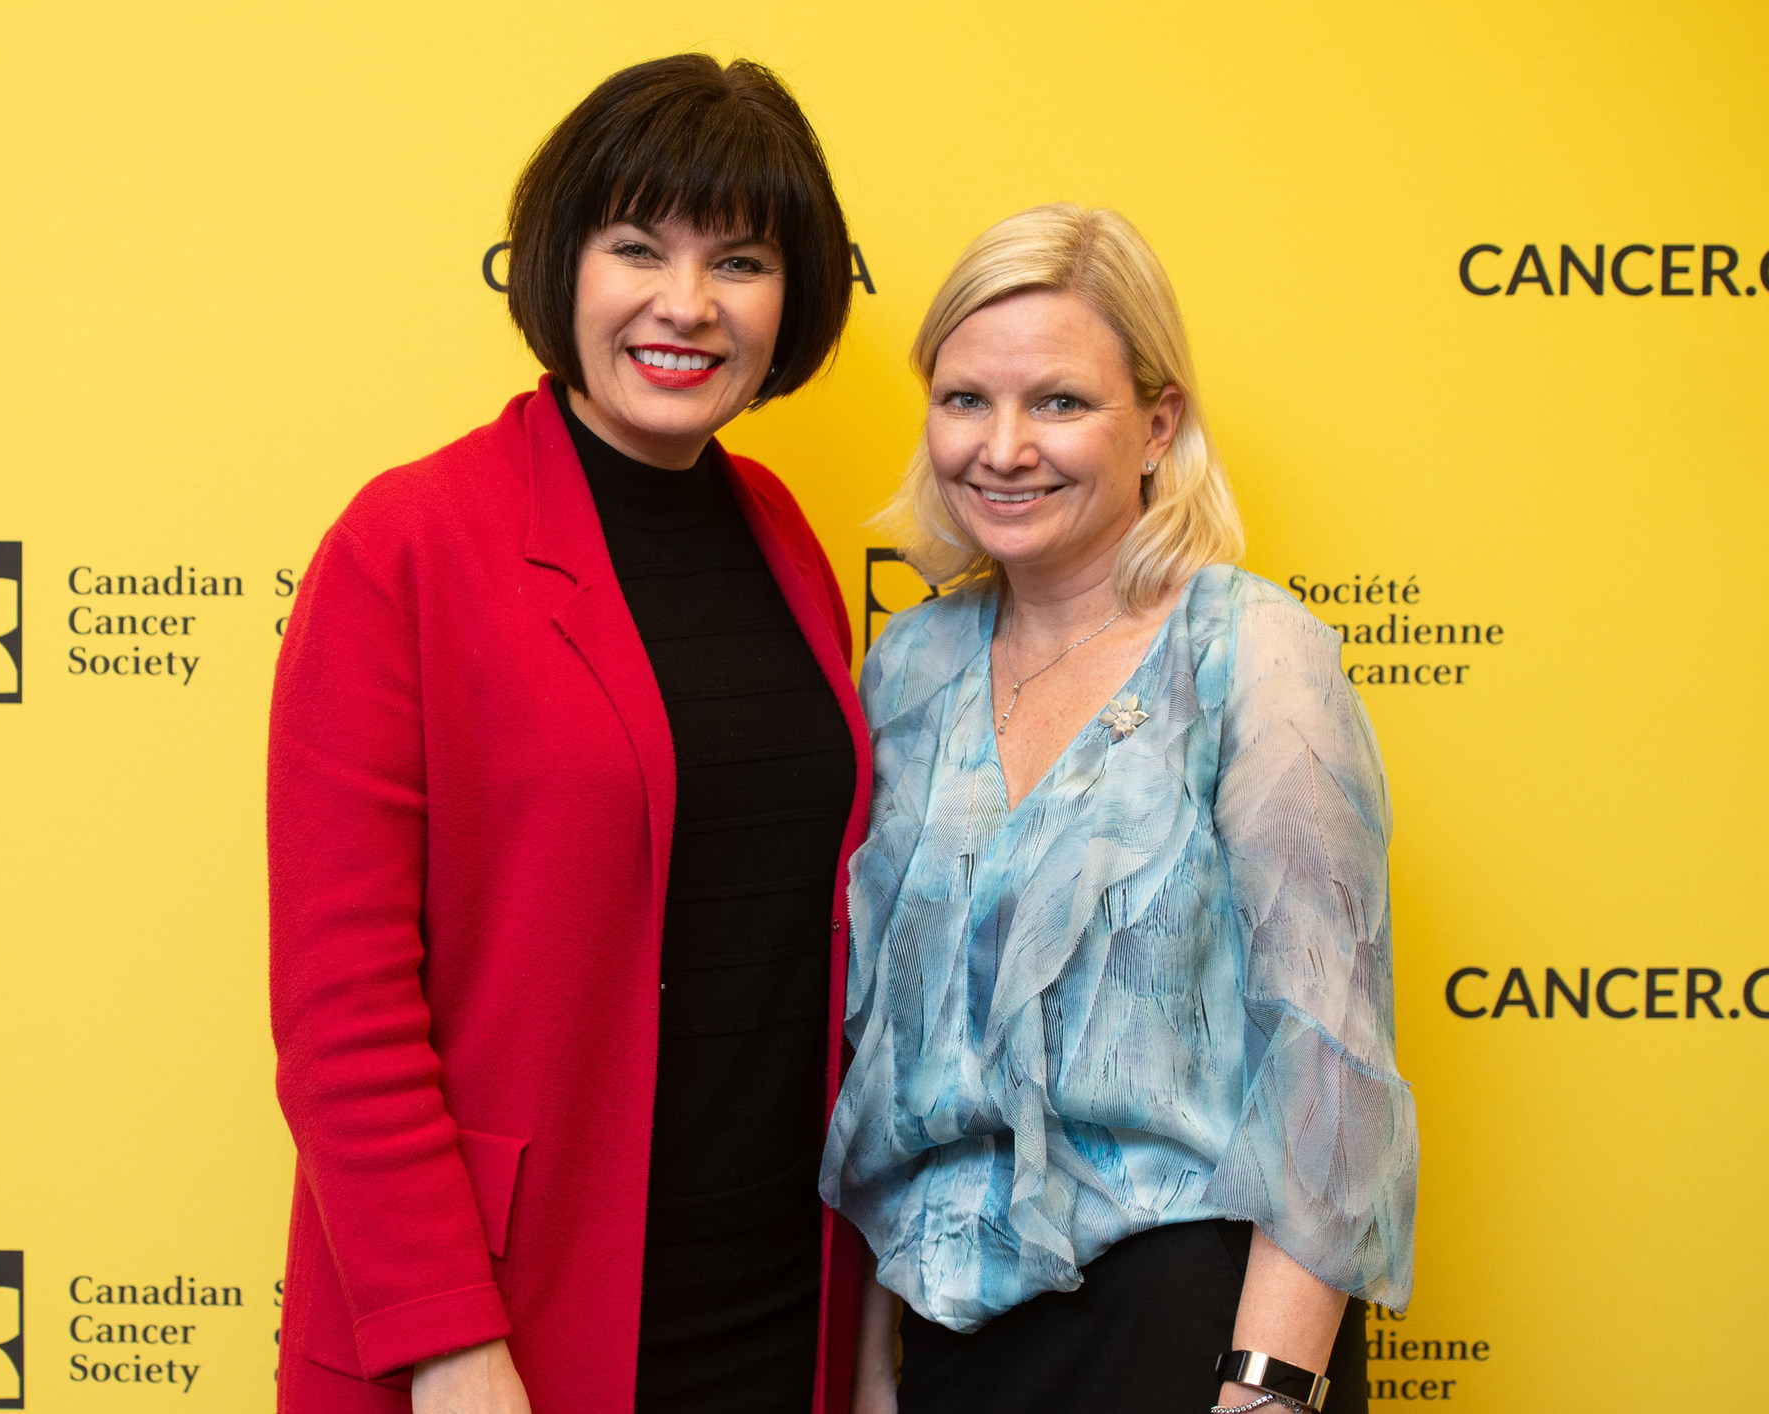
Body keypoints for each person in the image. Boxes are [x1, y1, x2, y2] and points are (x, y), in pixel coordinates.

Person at [266, 54, 874, 1414]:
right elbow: (340, 1001)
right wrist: (446, 1339)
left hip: (778, 1295)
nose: (687, 304)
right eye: (637, 246)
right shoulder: (407, 544)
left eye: (742, 260)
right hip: (515, 1312)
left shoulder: (779, 533)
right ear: (559, 267)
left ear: (797, 298)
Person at [823, 204, 1417, 1414]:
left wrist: (1265, 1389)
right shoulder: (909, 669)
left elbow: (1332, 1075)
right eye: (964, 400)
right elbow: (886, 1071)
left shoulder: (1251, 656)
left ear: (1158, 422)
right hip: (951, 1339)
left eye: (1058, 402)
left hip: (1185, 1331)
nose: (1002, 447)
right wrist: (876, 1367)